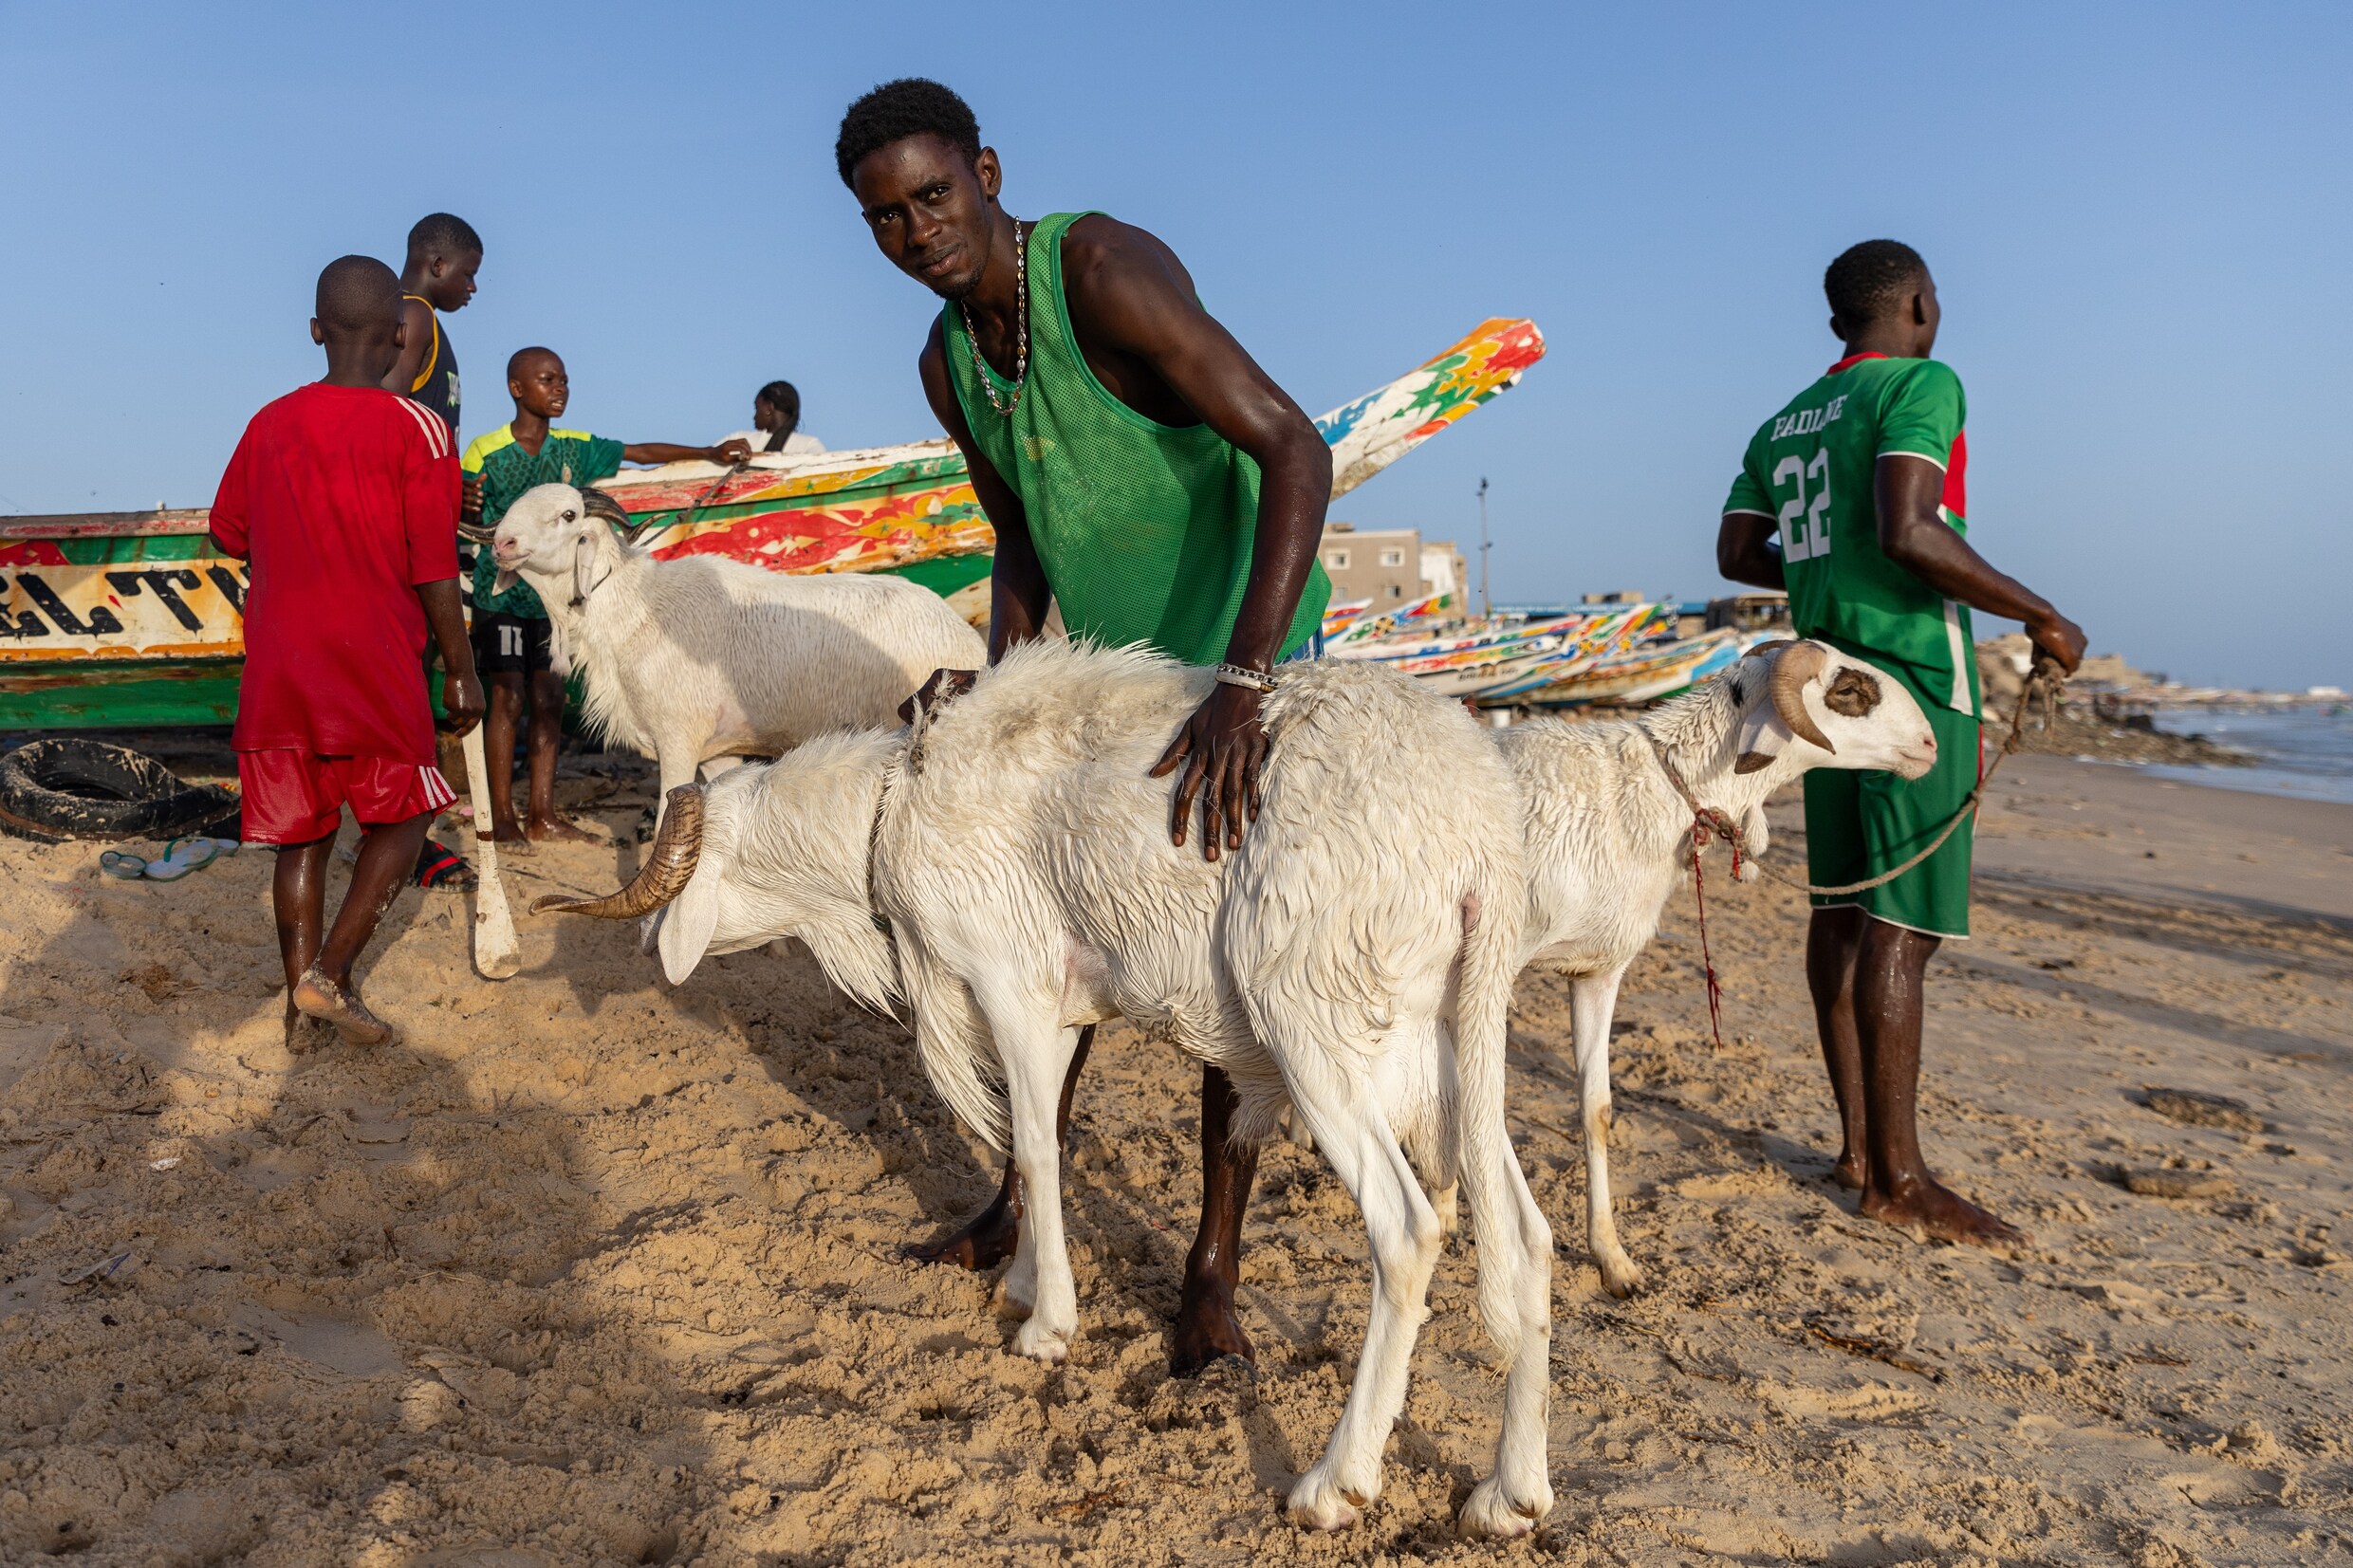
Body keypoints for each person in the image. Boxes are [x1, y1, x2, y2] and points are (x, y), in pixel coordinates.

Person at [839, 78, 1334, 1374]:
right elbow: (1020, 534)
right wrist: (1002, 690)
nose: (917, 232)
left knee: (1228, 948)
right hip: (1113, 678)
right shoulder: (951, 362)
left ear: (987, 171)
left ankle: (1213, 1269)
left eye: (933, 196)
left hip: (1244, 651)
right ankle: (1022, 1201)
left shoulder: (1102, 271)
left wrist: (1245, 682)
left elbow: (1294, 448)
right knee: (1043, 923)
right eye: (886, 219)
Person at [1715, 239, 2086, 1248]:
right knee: (1899, 926)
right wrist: (2040, 614)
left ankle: (1855, 1152)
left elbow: (1738, 552)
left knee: (1841, 908)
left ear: (1839, 321)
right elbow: (1909, 530)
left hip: (1822, 686)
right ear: (1918, 303)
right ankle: (1898, 1177)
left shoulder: (1784, 418)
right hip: (1913, 687)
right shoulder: (1924, 382)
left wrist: (1824, 558)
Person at [208, 255, 485, 1048]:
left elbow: (226, 533)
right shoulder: (420, 429)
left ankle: (301, 1019)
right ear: (399, 334)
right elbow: (433, 564)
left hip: (280, 664)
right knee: (409, 811)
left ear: (315, 332)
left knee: (303, 835)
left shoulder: (267, 424)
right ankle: (330, 973)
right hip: (374, 659)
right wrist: (462, 672)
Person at [459, 346, 750, 846]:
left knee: (550, 699)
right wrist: (460, 496)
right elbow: (463, 501)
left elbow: (636, 452)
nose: (560, 389)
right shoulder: (484, 450)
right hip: (501, 593)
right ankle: (502, 816)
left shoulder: (575, 447)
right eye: (548, 380)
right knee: (505, 697)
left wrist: (707, 453)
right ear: (517, 389)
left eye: (564, 380)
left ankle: (543, 815)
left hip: (558, 603)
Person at [383, 212, 484, 891]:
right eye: (472, 273)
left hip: (423, 511)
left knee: (412, 677)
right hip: (400, 527)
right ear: (438, 263)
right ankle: (404, 836)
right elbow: (379, 415)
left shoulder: (425, 322)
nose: (476, 288)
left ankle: (403, 826)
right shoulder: (413, 317)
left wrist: (454, 480)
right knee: (404, 682)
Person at [721, 379, 826, 456]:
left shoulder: (740, 440)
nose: (754, 417)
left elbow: (705, 462)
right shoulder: (809, 445)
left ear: (768, 408)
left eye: (757, 408)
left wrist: (713, 453)